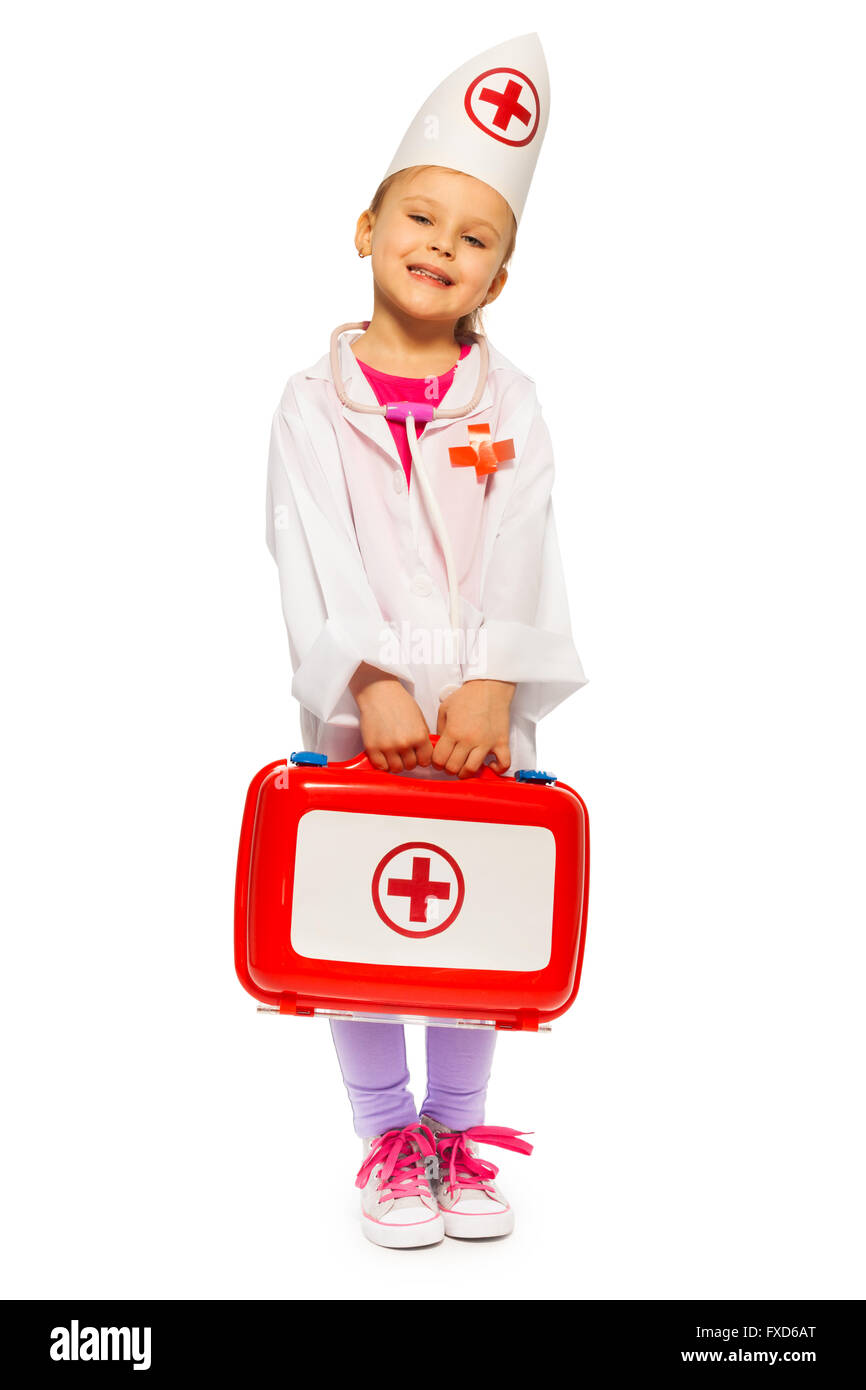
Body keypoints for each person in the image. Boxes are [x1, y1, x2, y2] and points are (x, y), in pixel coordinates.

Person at [265, 34, 587, 1247]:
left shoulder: (511, 405)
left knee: (474, 919)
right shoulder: (309, 401)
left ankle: (454, 1132)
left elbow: (524, 537)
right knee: (363, 917)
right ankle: (386, 1143)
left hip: (479, 719)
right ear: (364, 226)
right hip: (368, 715)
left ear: (497, 279)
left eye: (474, 236)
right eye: (419, 216)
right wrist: (369, 675)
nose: (439, 247)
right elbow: (307, 545)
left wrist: (492, 680)